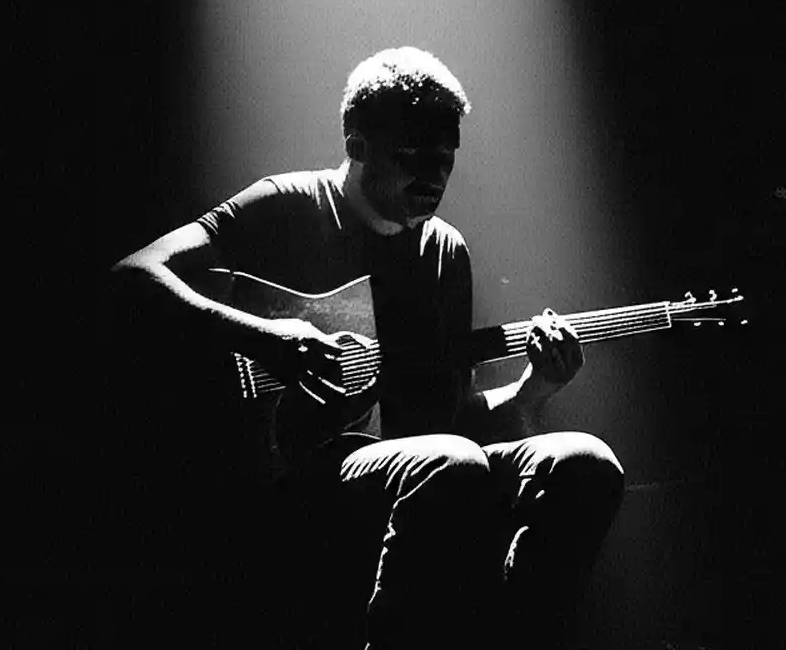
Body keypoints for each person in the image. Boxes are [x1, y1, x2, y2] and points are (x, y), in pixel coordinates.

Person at [109, 46, 624, 649]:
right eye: (412, 157)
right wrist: (268, 340)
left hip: (403, 458)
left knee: (584, 461)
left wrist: (535, 388)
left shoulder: (445, 253)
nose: (432, 178)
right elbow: (136, 272)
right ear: (357, 145)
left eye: (445, 159)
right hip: (297, 469)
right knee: (452, 464)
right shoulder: (286, 205)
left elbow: (453, 413)